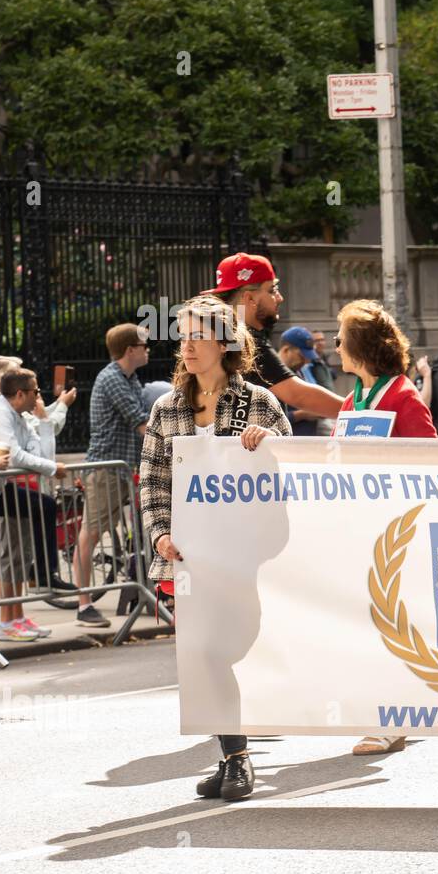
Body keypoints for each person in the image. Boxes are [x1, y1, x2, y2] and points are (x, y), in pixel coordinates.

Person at [139, 294, 291, 801]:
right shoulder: (167, 408)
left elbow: (293, 469)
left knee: (233, 649)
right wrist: (160, 532)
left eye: (196, 335)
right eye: (181, 336)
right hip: (189, 557)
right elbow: (153, 483)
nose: (185, 346)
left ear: (224, 344)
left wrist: (266, 443)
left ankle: (233, 756)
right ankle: (235, 756)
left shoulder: (259, 403)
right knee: (204, 652)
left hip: (244, 555)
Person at [328, 300, 438, 755]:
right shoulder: (355, 398)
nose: (335, 347)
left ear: (362, 347)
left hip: (397, 534)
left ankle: (390, 720)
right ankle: (387, 712)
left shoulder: (403, 397)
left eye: (341, 339)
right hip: (359, 530)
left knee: (389, 624)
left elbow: (432, 461)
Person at [73, 323, 151, 627]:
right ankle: (83, 605)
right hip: (105, 468)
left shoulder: (129, 378)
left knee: (94, 533)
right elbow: (140, 421)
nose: (148, 351)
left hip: (119, 467)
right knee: (90, 534)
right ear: (130, 349)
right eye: (144, 346)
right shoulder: (113, 379)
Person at [208, 252, 344, 420]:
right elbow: (297, 394)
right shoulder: (242, 339)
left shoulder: (221, 334)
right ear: (250, 298)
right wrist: (360, 414)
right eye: (272, 290)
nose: (279, 298)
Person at [0, 369, 77, 611]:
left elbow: (42, 454)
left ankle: (17, 614)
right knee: (16, 548)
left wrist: (44, 419)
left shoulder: (18, 416)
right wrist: (49, 467)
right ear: (19, 393)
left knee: (18, 554)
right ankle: (43, 575)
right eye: (35, 391)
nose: (39, 395)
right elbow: (16, 456)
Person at [276, 328, 322, 436]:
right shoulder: (270, 377)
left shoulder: (299, 371)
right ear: (286, 350)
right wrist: (301, 415)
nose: (306, 361)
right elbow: (264, 419)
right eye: (302, 356)